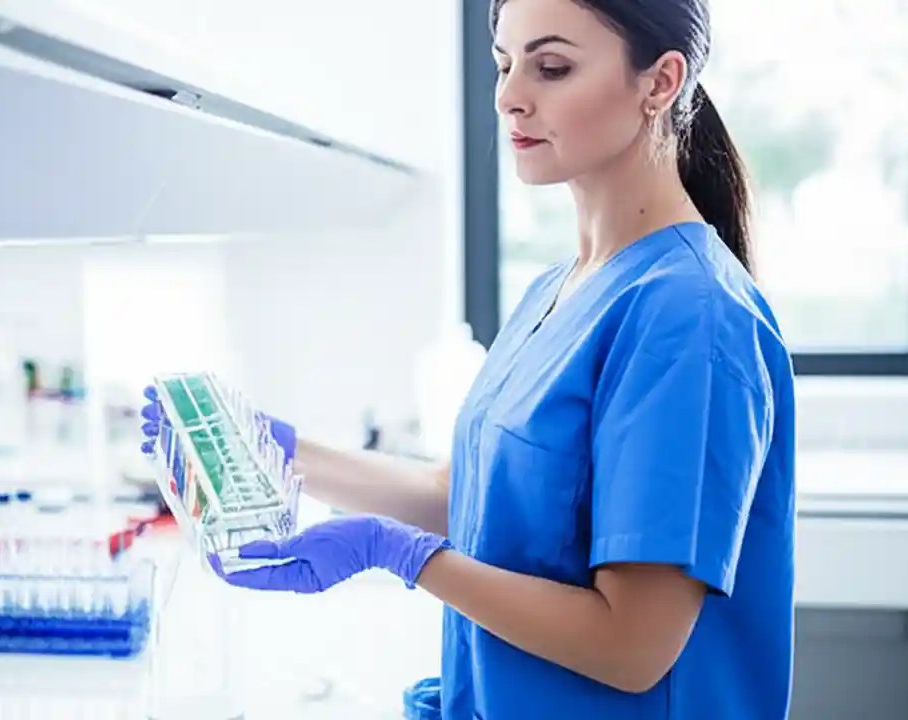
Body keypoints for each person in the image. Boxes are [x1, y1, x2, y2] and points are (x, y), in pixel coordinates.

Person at [141, 0, 796, 717]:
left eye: (552, 67)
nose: (512, 96)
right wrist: (277, 451)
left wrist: (399, 554)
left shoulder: (689, 317)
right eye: (503, 64)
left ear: (660, 82)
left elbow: (632, 647)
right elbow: (467, 501)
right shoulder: (562, 287)